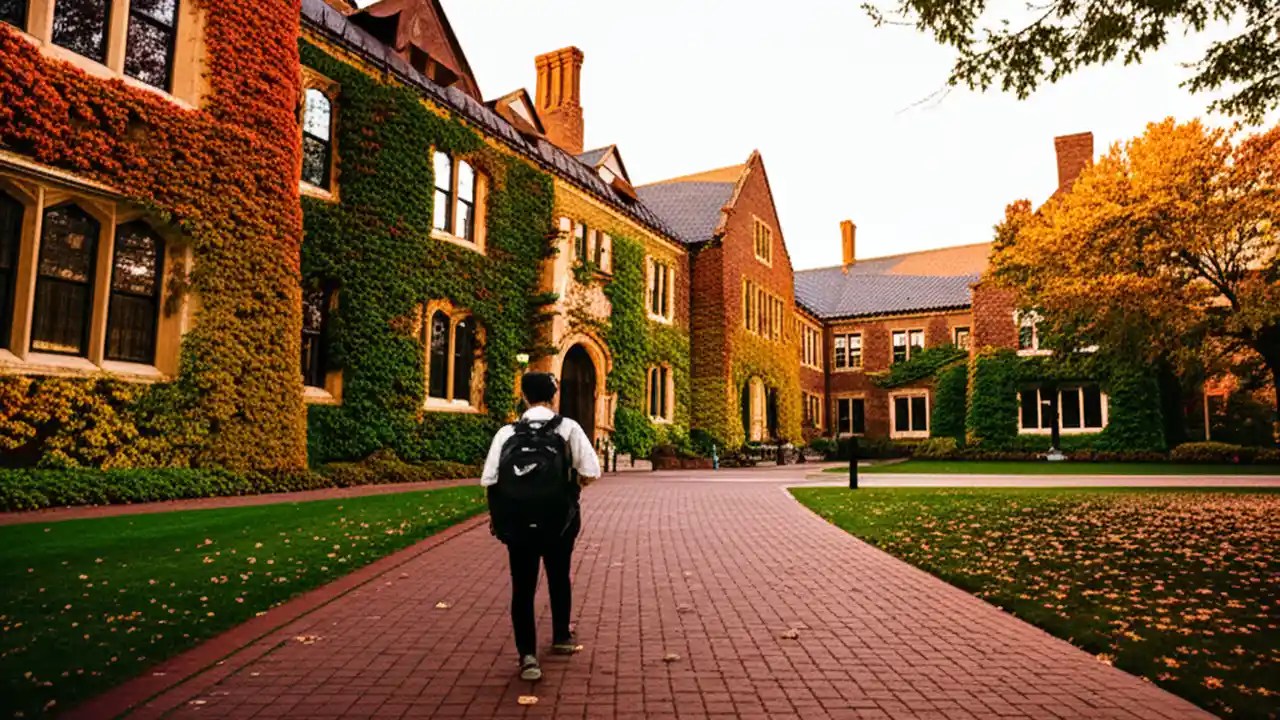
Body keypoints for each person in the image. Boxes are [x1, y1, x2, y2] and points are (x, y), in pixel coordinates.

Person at [481, 371, 601, 681]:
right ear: (553, 396)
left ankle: (528, 656)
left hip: (518, 522)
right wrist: (566, 489)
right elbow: (591, 470)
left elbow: (489, 479)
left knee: (522, 587)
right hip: (559, 520)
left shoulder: (506, 433)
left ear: (523, 396)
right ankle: (561, 637)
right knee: (559, 574)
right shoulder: (568, 428)